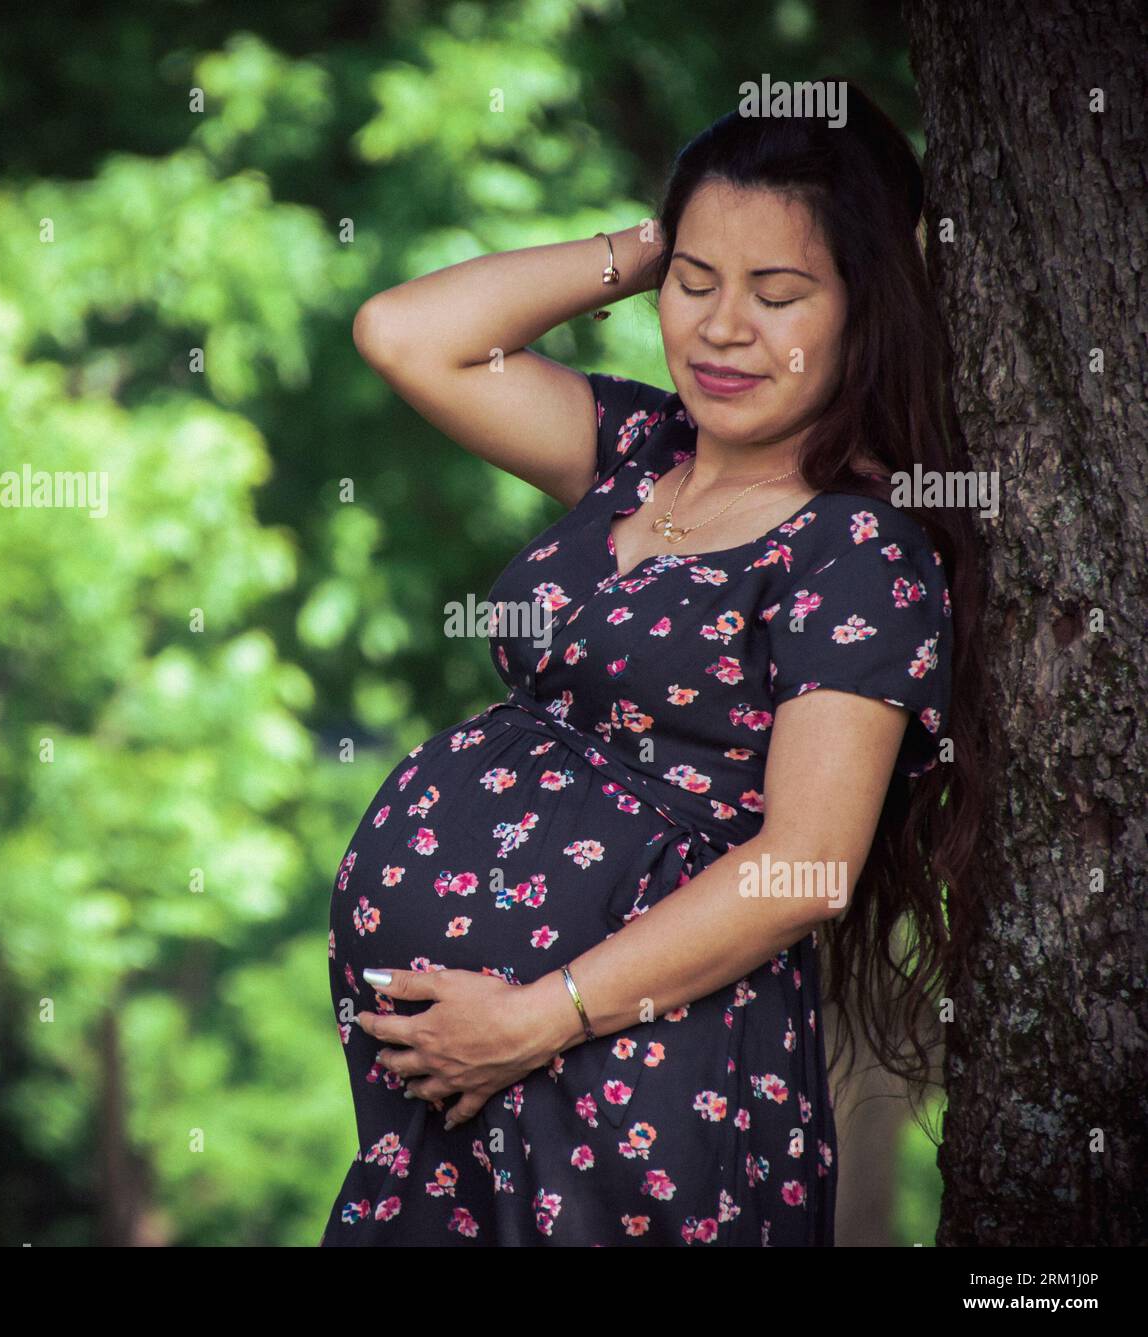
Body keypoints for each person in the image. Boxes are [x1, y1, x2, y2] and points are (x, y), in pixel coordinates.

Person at [320, 83, 984, 1247]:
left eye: (778, 293)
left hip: (634, 1082)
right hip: (460, 1087)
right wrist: (656, 240)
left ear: (866, 309)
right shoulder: (639, 451)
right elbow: (405, 332)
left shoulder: (857, 544)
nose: (722, 328)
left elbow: (807, 865)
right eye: (693, 281)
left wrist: (536, 1016)